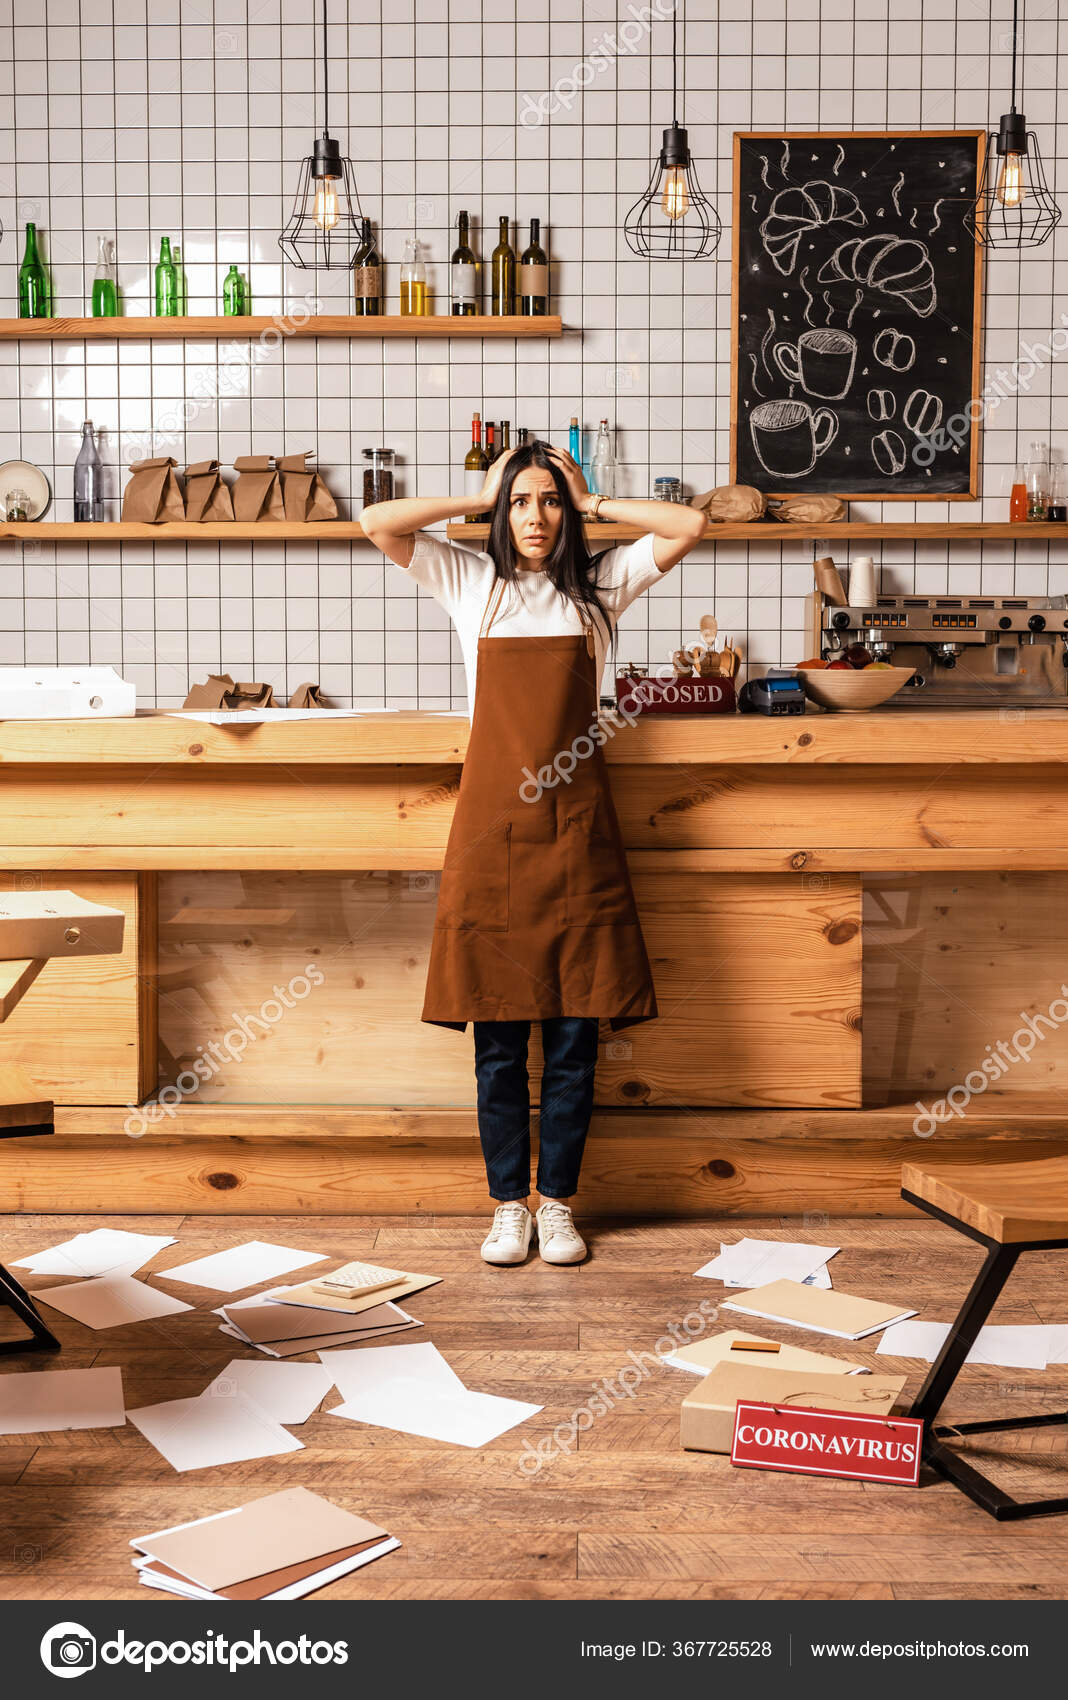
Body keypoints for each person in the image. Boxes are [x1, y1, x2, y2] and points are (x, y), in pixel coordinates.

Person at [362, 441, 705, 1267]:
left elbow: (689, 524)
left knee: (576, 1041)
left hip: (578, 838)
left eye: (549, 503)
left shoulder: (600, 590)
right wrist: (477, 496)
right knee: (499, 1045)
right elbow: (375, 521)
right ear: (500, 512)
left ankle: (559, 1205)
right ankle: (508, 1205)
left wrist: (593, 503)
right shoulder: (471, 585)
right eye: (521, 503)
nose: (536, 518)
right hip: (494, 842)